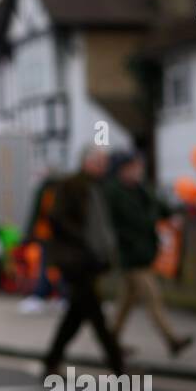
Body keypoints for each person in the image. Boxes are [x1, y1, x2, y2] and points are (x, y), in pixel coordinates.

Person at [41, 145, 125, 375]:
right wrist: (83, 241)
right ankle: (118, 367)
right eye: (99, 162)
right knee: (96, 316)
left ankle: (51, 362)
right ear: (87, 162)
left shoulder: (98, 187)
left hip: (90, 260)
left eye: (104, 162)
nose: (103, 167)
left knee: (75, 316)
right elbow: (57, 218)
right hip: (76, 261)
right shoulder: (71, 185)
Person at [105, 151, 194, 357]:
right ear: (123, 170)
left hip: (145, 252)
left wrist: (172, 216)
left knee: (125, 303)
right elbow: (121, 225)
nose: (138, 171)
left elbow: (159, 207)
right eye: (134, 167)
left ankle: (110, 342)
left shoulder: (142, 190)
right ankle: (172, 339)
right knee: (153, 298)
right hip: (130, 256)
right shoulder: (114, 194)